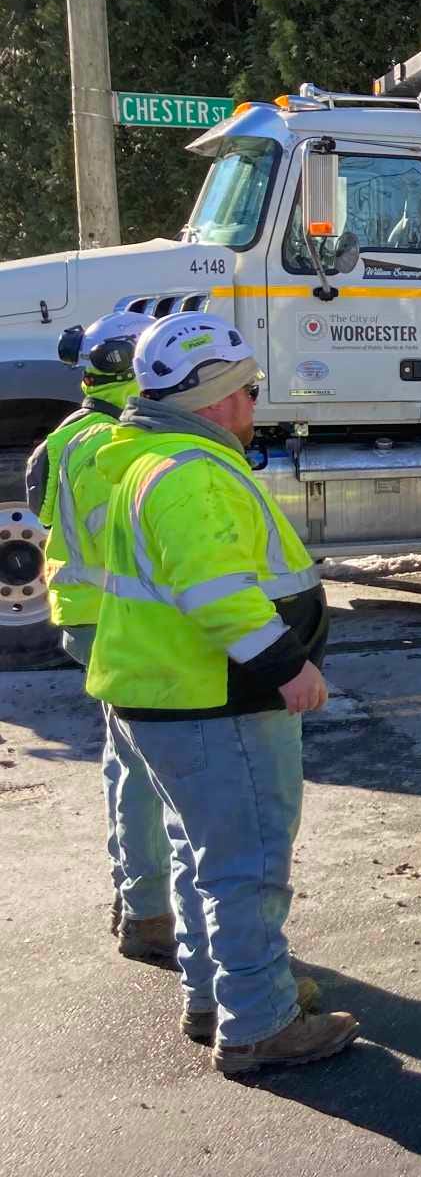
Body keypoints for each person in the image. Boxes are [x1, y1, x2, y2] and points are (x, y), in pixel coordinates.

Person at [87, 312, 358, 1076]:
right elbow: (216, 593)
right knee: (248, 865)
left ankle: (217, 997)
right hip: (214, 700)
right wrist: (289, 667)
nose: (254, 403)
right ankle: (258, 1023)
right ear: (215, 397)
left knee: (202, 853)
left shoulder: (153, 461)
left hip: (169, 694)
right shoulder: (192, 474)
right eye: (249, 389)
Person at [27, 309, 173, 962]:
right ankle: (148, 912)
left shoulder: (65, 437)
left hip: (87, 616)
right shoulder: (122, 441)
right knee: (149, 770)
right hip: (125, 618)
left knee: (124, 756)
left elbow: (46, 514)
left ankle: (134, 898)